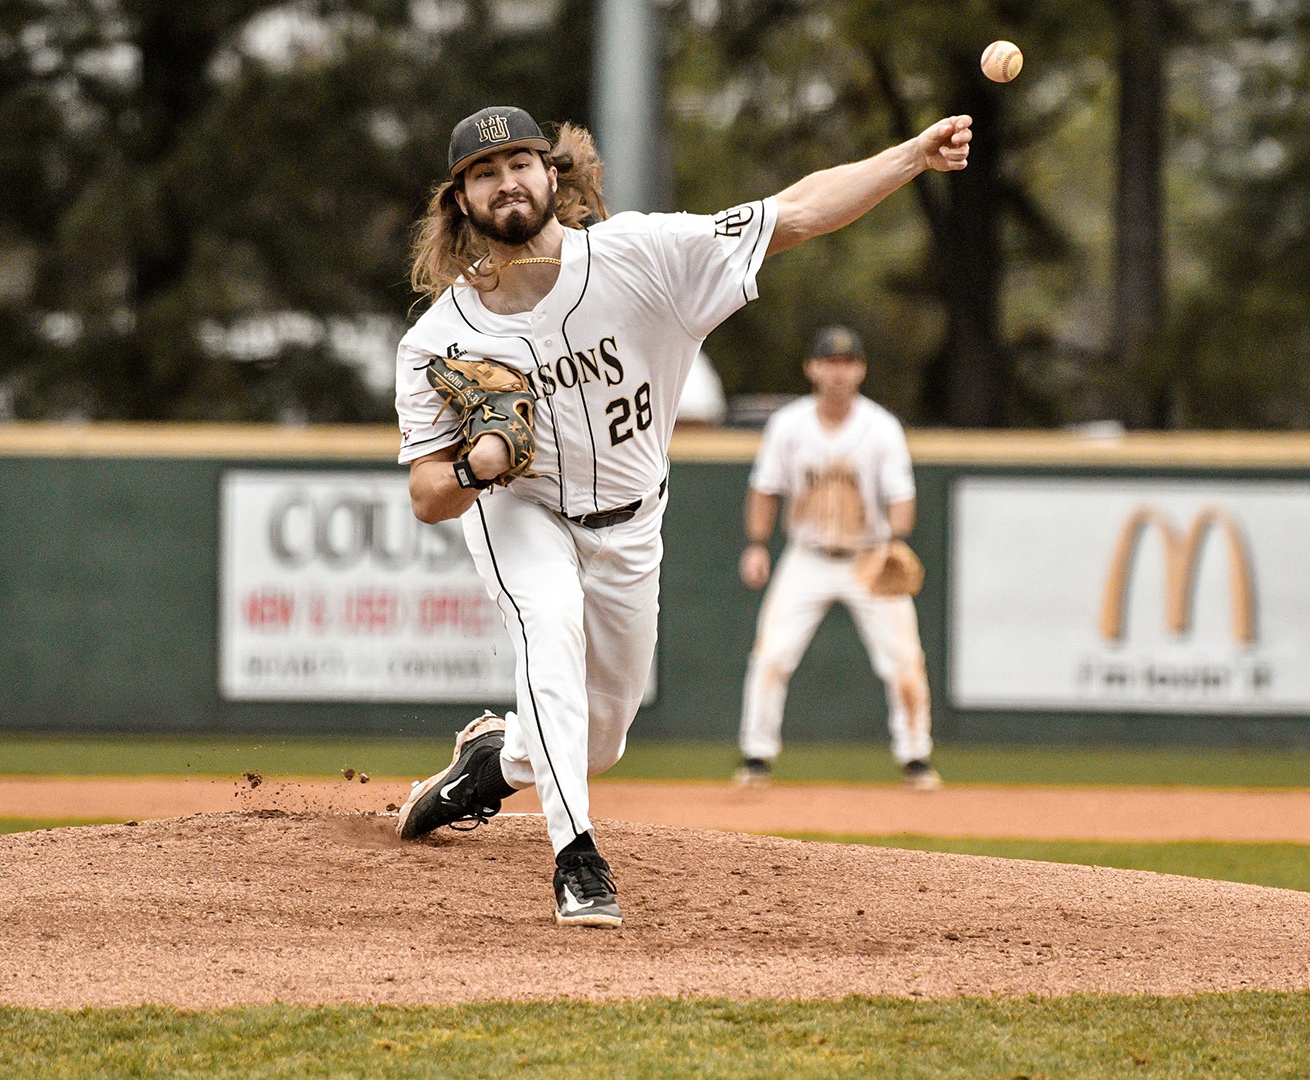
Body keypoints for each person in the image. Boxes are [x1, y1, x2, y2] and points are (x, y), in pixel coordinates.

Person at [392, 104, 973, 929]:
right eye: (483, 174)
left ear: (551, 175)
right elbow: (426, 497)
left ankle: (492, 764)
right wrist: (474, 465)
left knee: (603, 736)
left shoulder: (644, 257)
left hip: (631, 524)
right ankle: (576, 858)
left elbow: (798, 212)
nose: (505, 182)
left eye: (519, 163)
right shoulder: (441, 337)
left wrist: (912, 157)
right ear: (460, 202)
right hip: (521, 511)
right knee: (548, 631)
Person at [733, 326, 939, 791]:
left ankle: (916, 757)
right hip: (806, 556)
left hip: (868, 558)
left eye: (847, 362)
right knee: (772, 656)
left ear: (860, 369)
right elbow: (765, 488)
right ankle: (756, 756)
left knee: (904, 660)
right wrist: (757, 544)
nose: (838, 372)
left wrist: (896, 541)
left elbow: (901, 497)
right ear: (812, 368)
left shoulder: (881, 427)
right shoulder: (789, 424)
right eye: (829, 362)